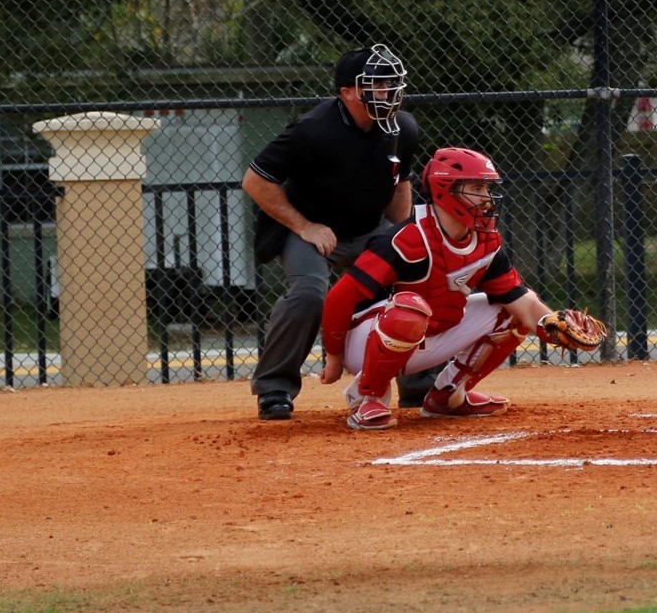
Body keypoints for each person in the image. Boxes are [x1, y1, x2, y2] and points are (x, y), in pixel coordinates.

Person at [317, 147, 571, 430]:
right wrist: (336, 359)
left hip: (429, 334)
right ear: (445, 190)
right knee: (410, 307)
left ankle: (448, 396)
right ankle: (368, 398)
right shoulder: (407, 238)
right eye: (477, 187)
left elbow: (522, 302)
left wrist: (551, 325)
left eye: (487, 188)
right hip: (367, 340)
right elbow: (339, 299)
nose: (486, 198)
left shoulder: (484, 239)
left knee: (510, 313)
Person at [243, 44, 422, 420]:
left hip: (367, 228)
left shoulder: (402, 128)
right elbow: (256, 180)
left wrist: (400, 236)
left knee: (413, 281)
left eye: (391, 84)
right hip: (312, 227)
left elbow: (400, 182)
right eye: (376, 85)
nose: (387, 92)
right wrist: (305, 227)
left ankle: (419, 379)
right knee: (309, 294)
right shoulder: (313, 130)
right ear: (347, 93)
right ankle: (274, 388)